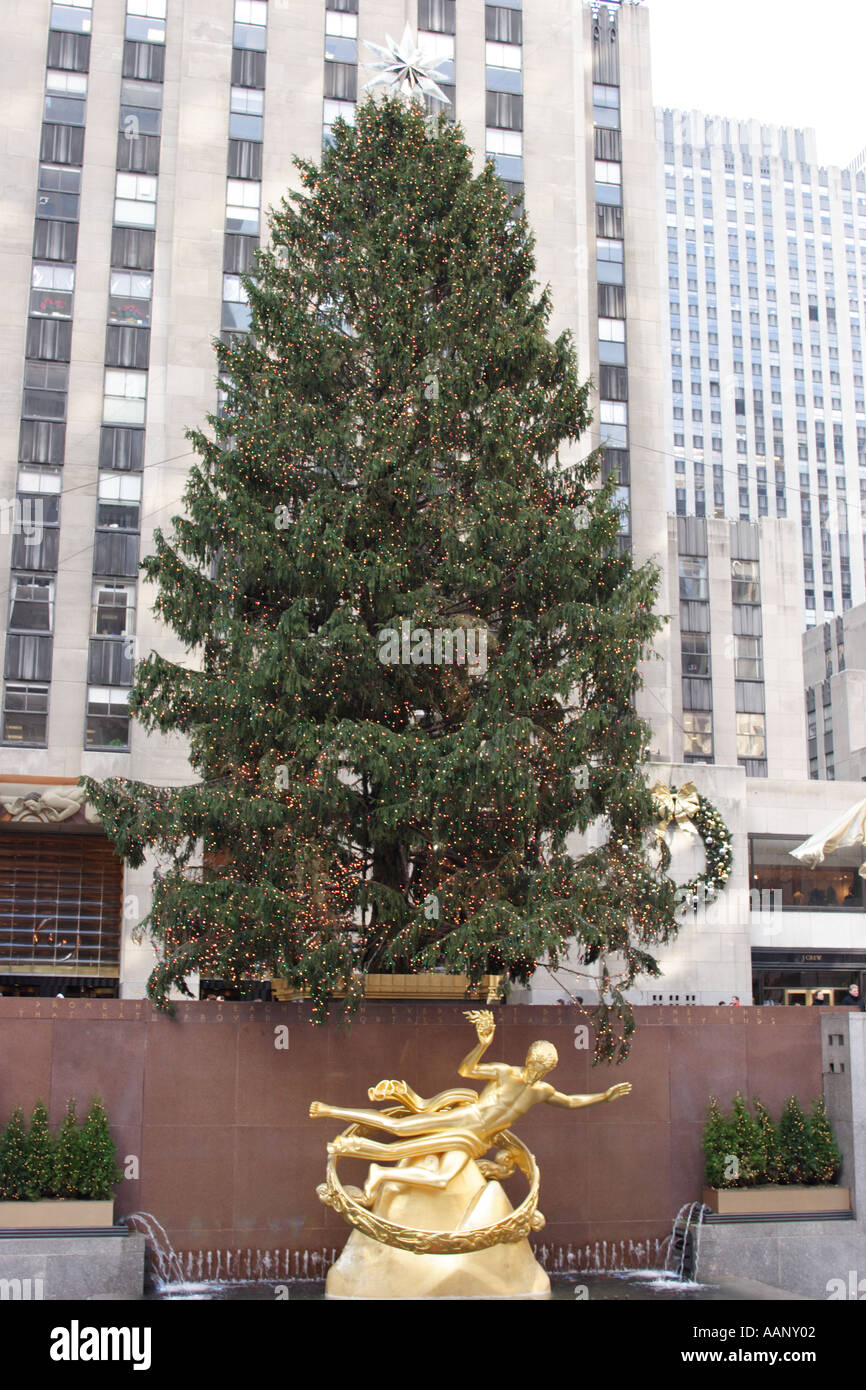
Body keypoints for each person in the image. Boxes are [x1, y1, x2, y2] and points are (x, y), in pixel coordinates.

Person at [310, 1009, 631, 1204]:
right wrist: (483, 1044)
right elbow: (466, 1071)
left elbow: (571, 1101)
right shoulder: (506, 1072)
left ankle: (379, 1174)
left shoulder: (542, 1091)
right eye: (535, 1065)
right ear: (528, 1059)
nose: (537, 1072)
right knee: (398, 1127)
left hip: (477, 1141)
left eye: (543, 1070)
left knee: (440, 1179)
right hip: (466, 1118)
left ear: (549, 1070)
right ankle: (330, 1110)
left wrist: (604, 1096)